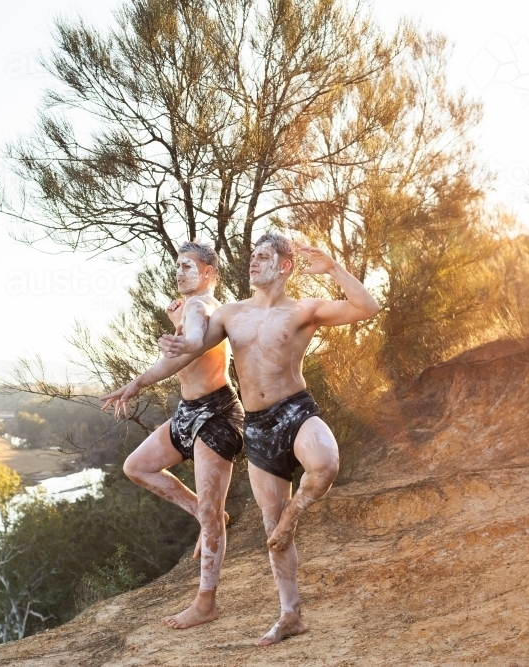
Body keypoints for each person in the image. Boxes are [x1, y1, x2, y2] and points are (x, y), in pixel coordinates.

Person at [102, 232, 381, 646]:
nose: (253, 261)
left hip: (294, 409)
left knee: (324, 463)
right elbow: (192, 348)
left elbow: (367, 307)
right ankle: (291, 616)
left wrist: (334, 269)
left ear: (284, 266)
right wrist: (139, 382)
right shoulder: (231, 313)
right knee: (271, 528)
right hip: (256, 423)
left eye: (264, 256)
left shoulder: (302, 310)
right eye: (252, 255)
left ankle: (294, 513)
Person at [101, 240, 245, 630]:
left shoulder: (200, 307)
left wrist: (185, 339)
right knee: (138, 466)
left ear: (209, 273)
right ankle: (206, 513)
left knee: (212, 517)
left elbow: (197, 342)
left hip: (216, 415)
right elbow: (184, 350)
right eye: (177, 266)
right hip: (188, 412)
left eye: (188, 266)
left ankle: (206, 604)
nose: (179, 272)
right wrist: (176, 330)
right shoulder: (190, 308)